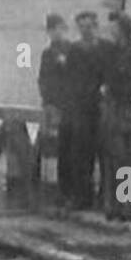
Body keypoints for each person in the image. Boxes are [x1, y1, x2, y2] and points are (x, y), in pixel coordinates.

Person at [101, 12, 131, 220]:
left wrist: (113, 88)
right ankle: (114, 204)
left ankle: (127, 204)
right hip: (113, 109)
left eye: (116, 28)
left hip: (127, 110)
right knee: (112, 157)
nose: (112, 32)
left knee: (128, 158)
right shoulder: (112, 53)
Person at [67, 10, 109, 209]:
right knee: (82, 154)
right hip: (81, 107)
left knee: (105, 152)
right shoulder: (74, 50)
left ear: (96, 27)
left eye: (89, 27)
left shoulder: (105, 48)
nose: (86, 31)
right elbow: (69, 78)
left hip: (101, 106)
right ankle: (83, 197)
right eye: (82, 27)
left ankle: (104, 196)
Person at [37, 13, 77, 207]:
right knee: (55, 151)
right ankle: (55, 191)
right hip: (53, 106)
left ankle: (68, 191)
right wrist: (47, 101)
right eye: (52, 29)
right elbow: (43, 79)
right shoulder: (47, 53)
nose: (55, 33)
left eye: (59, 28)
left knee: (69, 151)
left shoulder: (73, 50)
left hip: (70, 107)